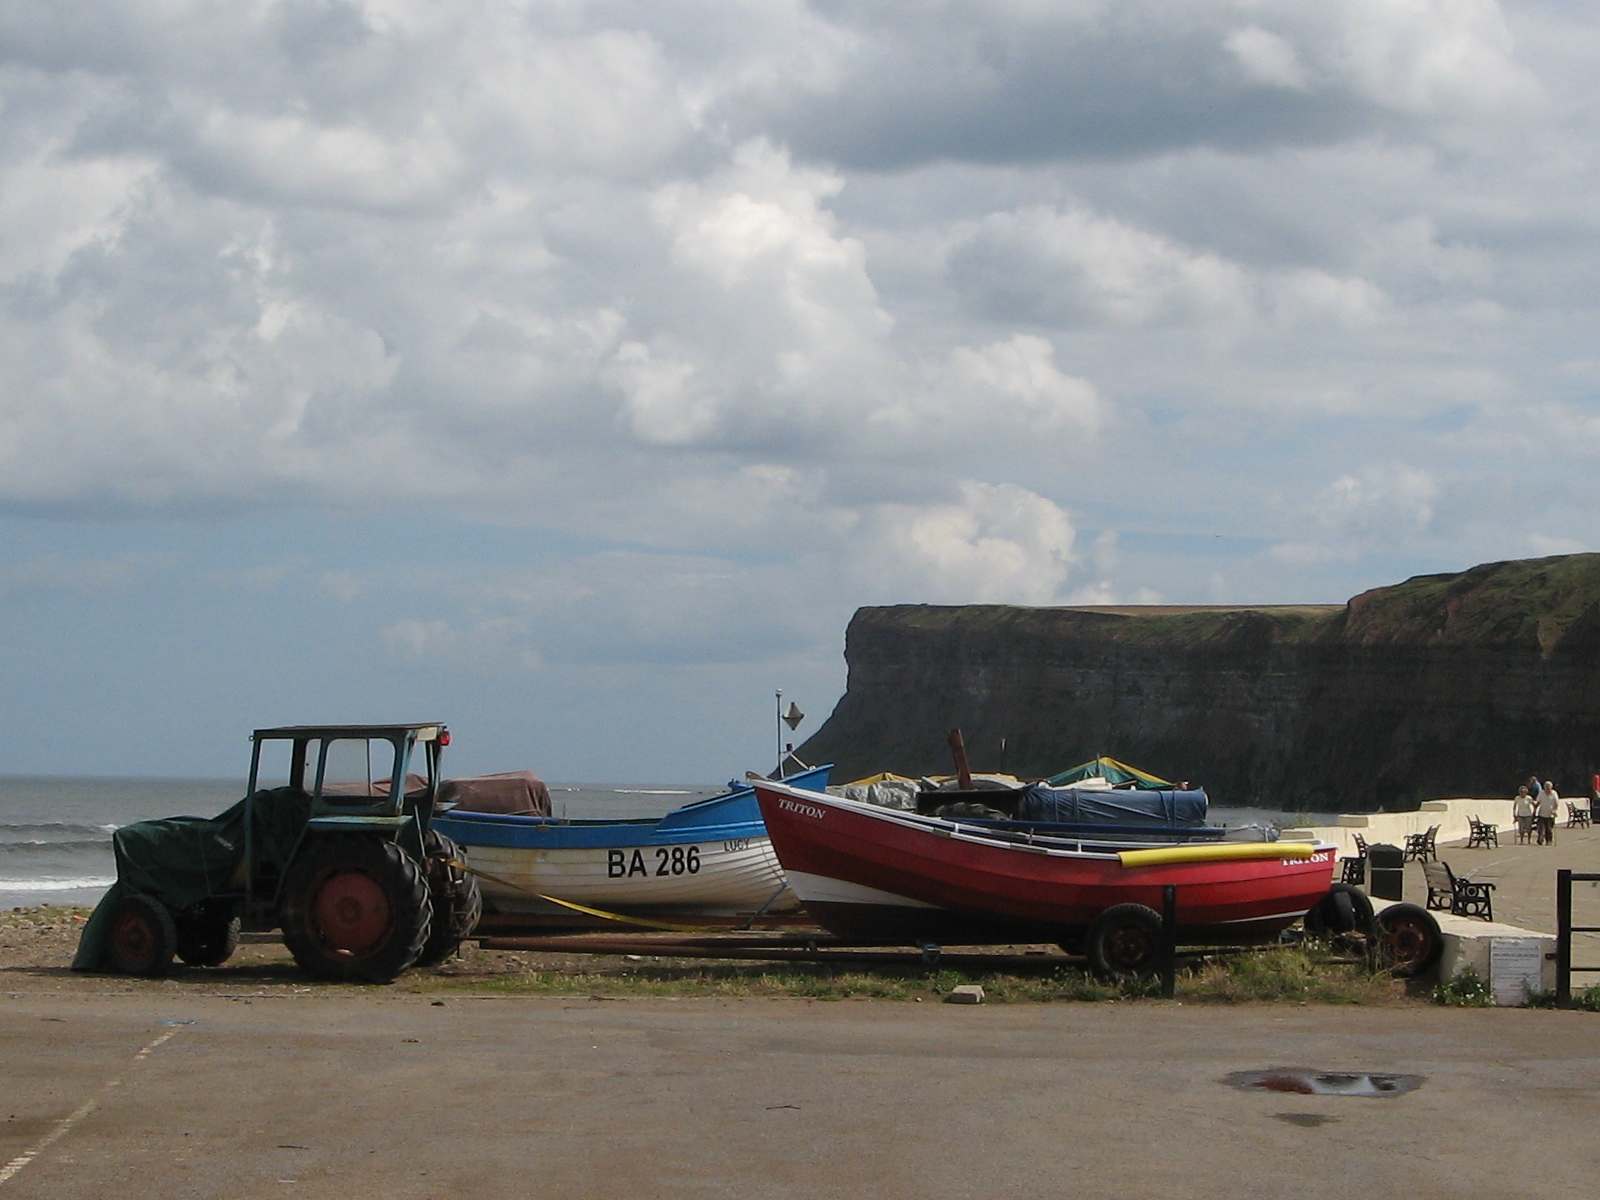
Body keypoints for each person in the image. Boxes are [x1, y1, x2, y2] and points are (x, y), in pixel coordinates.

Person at [1536, 780, 1559, 845]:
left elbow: (1556, 803)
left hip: (1550, 814)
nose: (1547, 789)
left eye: (1548, 788)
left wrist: (1554, 810)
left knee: (1549, 829)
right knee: (1541, 828)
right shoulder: (1541, 793)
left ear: (1551, 788)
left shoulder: (1554, 793)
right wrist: (1535, 809)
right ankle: (1540, 840)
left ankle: (1549, 840)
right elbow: (1538, 802)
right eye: (1546, 787)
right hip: (1541, 813)